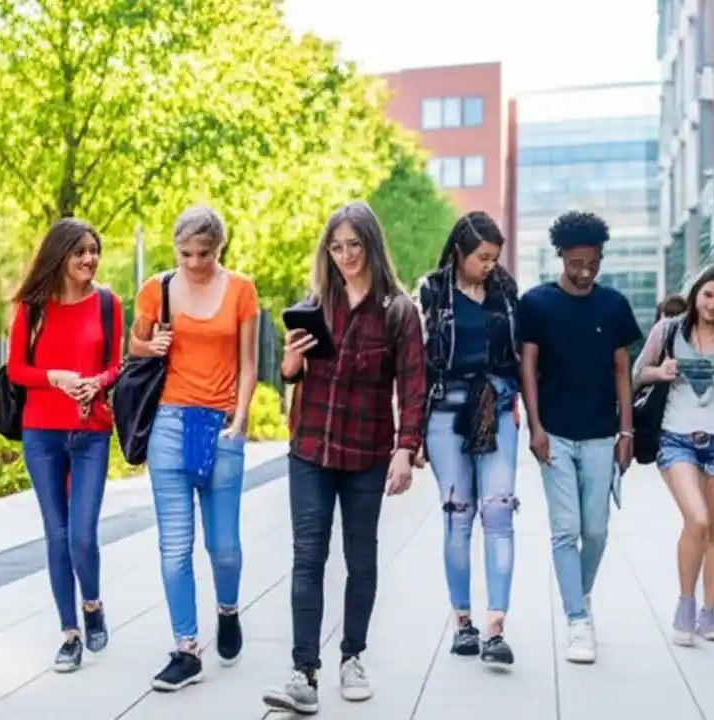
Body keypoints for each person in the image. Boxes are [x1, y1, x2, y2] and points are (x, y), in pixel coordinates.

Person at [261, 201, 425, 716]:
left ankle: (352, 657)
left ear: (372, 245)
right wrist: (290, 363)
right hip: (309, 447)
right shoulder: (315, 305)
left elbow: (414, 387)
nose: (346, 255)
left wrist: (406, 449)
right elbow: (293, 373)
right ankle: (302, 672)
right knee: (308, 556)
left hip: (367, 450)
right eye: (337, 247)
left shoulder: (398, 311)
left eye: (355, 245)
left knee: (361, 558)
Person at [129, 204, 259, 691]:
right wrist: (152, 345)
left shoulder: (241, 290)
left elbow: (248, 363)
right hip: (169, 423)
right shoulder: (156, 289)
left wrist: (242, 417)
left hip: (221, 424)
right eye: (185, 253)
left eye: (203, 253)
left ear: (218, 248)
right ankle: (186, 648)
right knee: (174, 547)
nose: (193, 262)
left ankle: (228, 609)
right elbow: (134, 347)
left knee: (223, 546)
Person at [515, 209, 642, 665]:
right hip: (555, 435)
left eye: (593, 264)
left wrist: (626, 430)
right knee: (566, 530)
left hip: (600, 436)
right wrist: (535, 426)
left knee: (597, 530)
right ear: (561, 256)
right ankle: (576, 619)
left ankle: (580, 595)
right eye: (576, 263)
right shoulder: (536, 304)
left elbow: (623, 369)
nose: (585, 272)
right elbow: (527, 366)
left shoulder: (614, 305)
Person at [5, 218, 124, 671]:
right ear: (60, 256)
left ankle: (91, 604)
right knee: (55, 534)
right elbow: (16, 370)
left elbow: (116, 364)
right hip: (42, 433)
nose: (90, 259)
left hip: (91, 431)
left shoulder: (109, 304)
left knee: (82, 533)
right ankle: (69, 632)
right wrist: (54, 377)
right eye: (80, 252)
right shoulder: (32, 308)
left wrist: (97, 382)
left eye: (94, 250)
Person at [633, 262, 714, 646]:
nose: (713, 304)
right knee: (698, 519)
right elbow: (638, 373)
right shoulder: (669, 330)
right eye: (708, 295)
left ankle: (709, 614)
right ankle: (685, 605)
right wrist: (662, 371)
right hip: (676, 439)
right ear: (696, 292)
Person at [416, 211, 520, 667]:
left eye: (495, 258)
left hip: (495, 407)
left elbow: (520, 357)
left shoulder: (507, 294)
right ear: (460, 251)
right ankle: (463, 622)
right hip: (445, 411)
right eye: (482, 257)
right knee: (458, 513)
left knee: (498, 509)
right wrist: (410, 434)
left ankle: (496, 627)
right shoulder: (432, 292)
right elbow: (416, 361)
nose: (490, 265)